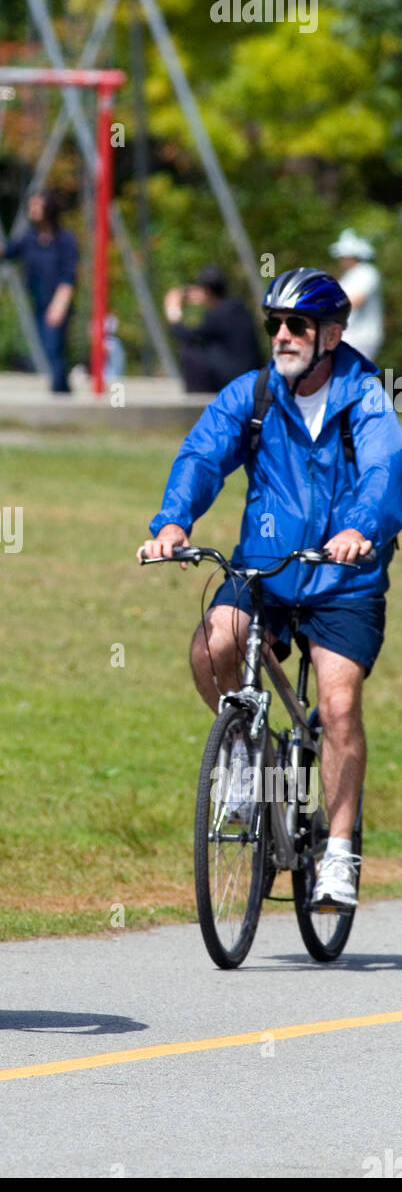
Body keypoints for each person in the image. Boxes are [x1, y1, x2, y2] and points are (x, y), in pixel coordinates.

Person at [138, 267, 402, 910]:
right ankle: (244, 754)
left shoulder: (367, 399)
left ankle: (337, 855)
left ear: (332, 334)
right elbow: (203, 456)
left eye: (298, 325)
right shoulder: (252, 395)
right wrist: (174, 521)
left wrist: (359, 529)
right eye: (274, 324)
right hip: (266, 568)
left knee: (338, 707)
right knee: (212, 647)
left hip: (345, 575)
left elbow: (383, 474)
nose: (282, 335)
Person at [0, 189, 79, 393]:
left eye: (37, 206)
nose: (33, 210)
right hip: (38, 299)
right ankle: (62, 388)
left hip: (57, 300)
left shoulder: (65, 240)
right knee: (48, 347)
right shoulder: (30, 238)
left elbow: (68, 275)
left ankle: (60, 391)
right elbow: (8, 252)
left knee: (53, 346)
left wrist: (60, 303)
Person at [164, 265, 262, 393]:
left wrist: (173, 310)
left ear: (206, 290)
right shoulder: (239, 307)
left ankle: (199, 398)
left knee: (190, 353)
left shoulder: (217, 314)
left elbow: (187, 336)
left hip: (232, 379)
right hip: (252, 375)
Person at [328, 228, 383, 364]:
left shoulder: (367, 272)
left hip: (361, 337)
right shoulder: (351, 275)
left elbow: (355, 301)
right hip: (348, 336)